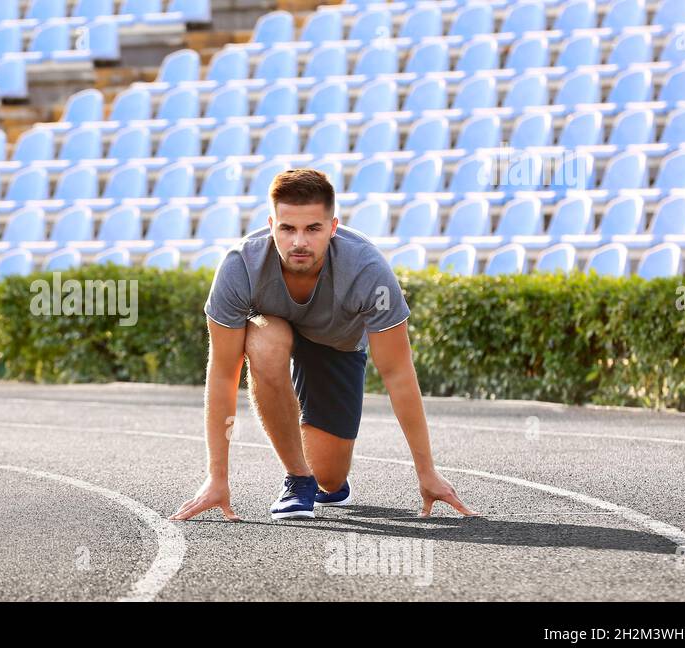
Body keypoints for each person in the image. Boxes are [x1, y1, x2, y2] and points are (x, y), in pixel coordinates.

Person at [170, 168, 479, 521]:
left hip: (337, 345)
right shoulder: (240, 265)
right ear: (272, 225)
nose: (299, 241)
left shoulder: (368, 270)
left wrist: (427, 472)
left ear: (332, 228)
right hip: (273, 328)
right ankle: (298, 479)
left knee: (330, 481)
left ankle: (319, 475)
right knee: (265, 343)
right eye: (287, 229)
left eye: (312, 229)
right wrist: (217, 478)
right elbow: (224, 373)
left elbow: (397, 372)